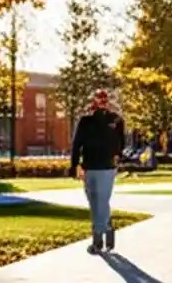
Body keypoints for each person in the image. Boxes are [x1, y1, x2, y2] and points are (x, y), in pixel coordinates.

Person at [68, 89, 126, 255]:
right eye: (98, 99)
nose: (102, 102)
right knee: (94, 202)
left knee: (101, 200)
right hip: (89, 166)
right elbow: (77, 144)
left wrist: (117, 157)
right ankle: (107, 228)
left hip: (107, 167)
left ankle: (98, 241)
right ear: (93, 101)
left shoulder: (115, 120)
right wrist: (75, 166)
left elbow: (121, 143)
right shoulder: (86, 121)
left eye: (104, 99)